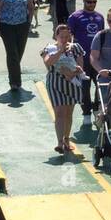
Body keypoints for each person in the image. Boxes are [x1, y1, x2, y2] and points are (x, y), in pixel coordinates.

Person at [42, 23, 86, 154]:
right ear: (56, 36)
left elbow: (80, 66)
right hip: (55, 83)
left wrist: (72, 73)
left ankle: (67, 139)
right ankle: (60, 142)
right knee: (59, 113)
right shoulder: (49, 49)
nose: (65, 39)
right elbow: (48, 63)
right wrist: (60, 51)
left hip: (72, 83)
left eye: (67, 36)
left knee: (68, 113)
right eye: (62, 37)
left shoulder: (76, 48)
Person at [0, 0, 34, 91]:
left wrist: (29, 22)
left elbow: (31, 7)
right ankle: (15, 82)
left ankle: (13, 73)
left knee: (18, 53)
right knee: (12, 53)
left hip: (22, 26)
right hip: (7, 27)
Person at [67, 0, 105, 119]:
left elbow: (102, 36)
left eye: (94, 2)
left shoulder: (100, 17)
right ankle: (86, 112)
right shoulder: (75, 17)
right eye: (89, 2)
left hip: (97, 58)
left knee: (100, 83)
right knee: (84, 87)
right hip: (82, 59)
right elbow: (69, 35)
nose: (91, 4)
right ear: (83, 1)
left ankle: (96, 107)